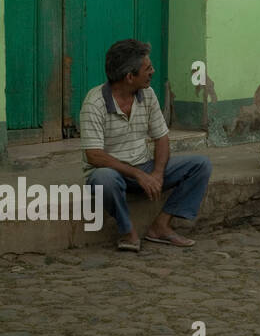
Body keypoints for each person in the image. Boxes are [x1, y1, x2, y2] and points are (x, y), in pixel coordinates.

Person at [83, 40, 213, 251]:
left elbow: (161, 137)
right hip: (113, 172)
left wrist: (158, 173)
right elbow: (94, 156)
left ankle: (161, 226)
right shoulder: (94, 102)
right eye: (147, 68)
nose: (152, 71)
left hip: (144, 167)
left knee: (201, 165)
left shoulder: (148, 94)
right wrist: (138, 174)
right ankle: (127, 232)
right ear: (129, 77)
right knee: (102, 179)